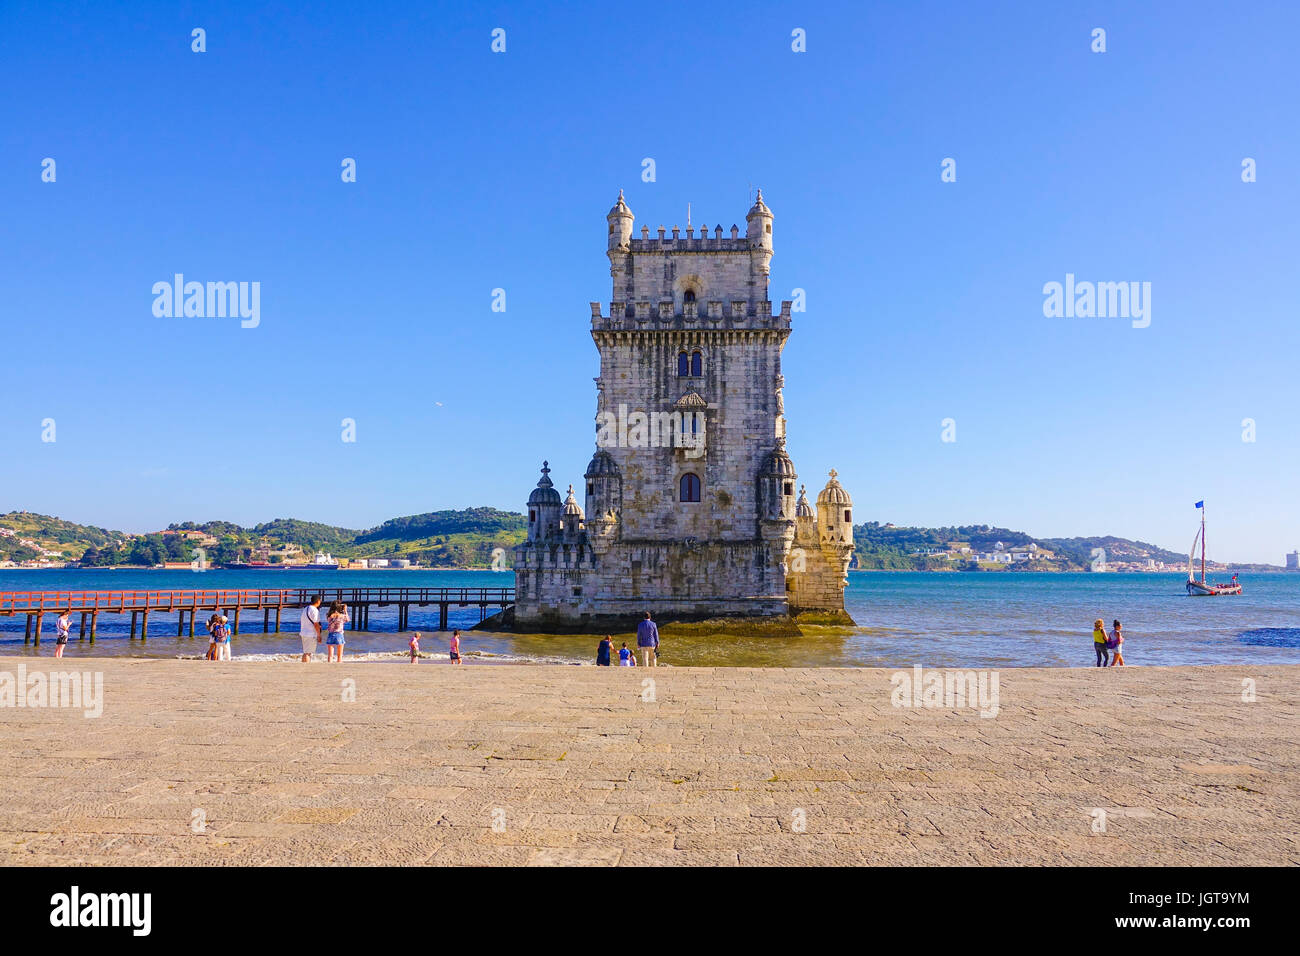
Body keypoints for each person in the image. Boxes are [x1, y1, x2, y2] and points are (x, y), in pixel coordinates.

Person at [299, 596, 322, 662]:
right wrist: (319, 635)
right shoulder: (314, 610)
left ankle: (303, 666)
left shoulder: (306, 608)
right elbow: (316, 624)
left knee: (306, 652)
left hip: (304, 632)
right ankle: (306, 667)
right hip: (310, 634)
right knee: (308, 653)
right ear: (318, 601)